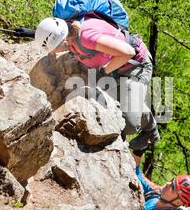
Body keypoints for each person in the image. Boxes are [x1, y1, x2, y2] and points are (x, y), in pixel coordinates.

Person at [15, 15, 160, 152]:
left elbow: (128, 52)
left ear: (64, 40)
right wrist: (33, 34)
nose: (53, 52)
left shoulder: (87, 37)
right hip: (113, 67)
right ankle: (126, 97)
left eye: (52, 48)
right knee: (114, 102)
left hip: (135, 67)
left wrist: (103, 72)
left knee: (129, 125)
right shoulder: (69, 33)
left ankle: (150, 129)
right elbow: (57, 37)